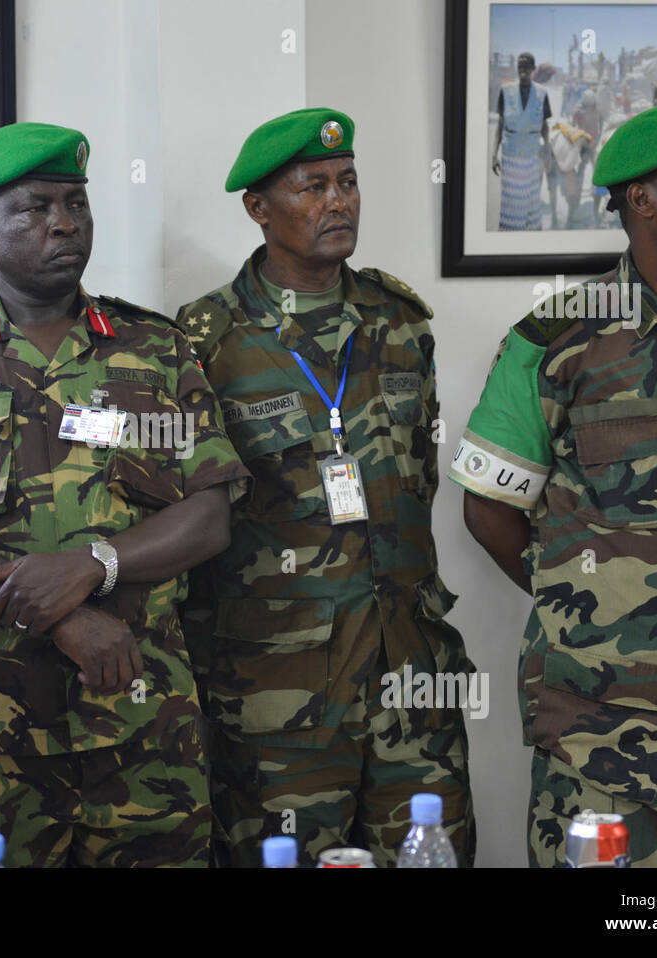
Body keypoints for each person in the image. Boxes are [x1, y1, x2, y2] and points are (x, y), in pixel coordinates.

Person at [0, 122, 251, 867]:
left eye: (76, 204)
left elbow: (210, 514)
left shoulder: (157, 349)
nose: (64, 223)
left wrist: (92, 565)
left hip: (144, 720)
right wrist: (59, 617)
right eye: (35, 207)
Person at [454, 94, 657, 867]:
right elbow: (491, 511)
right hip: (615, 743)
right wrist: (593, 602)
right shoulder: (558, 342)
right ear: (643, 200)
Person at [177, 108, 475, 868]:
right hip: (280, 692)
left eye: (347, 182)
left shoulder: (401, 322)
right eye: (312, 187)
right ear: (259, 207)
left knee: (430, 859)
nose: (338, 202)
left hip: (411, 672)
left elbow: (418, 478)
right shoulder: (207, 342)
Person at [492, 52, 551, 231]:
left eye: (526, 66)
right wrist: (494, 154)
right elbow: (500, 125)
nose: (522, 70)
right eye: (520, 66)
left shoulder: (542, 93)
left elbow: (544, 126)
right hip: (510, 158)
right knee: (511, 205)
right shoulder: (506, 91)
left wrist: (547, 151)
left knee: (531, 203)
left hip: (531, 158)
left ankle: (530, 239)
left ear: (533, 69)